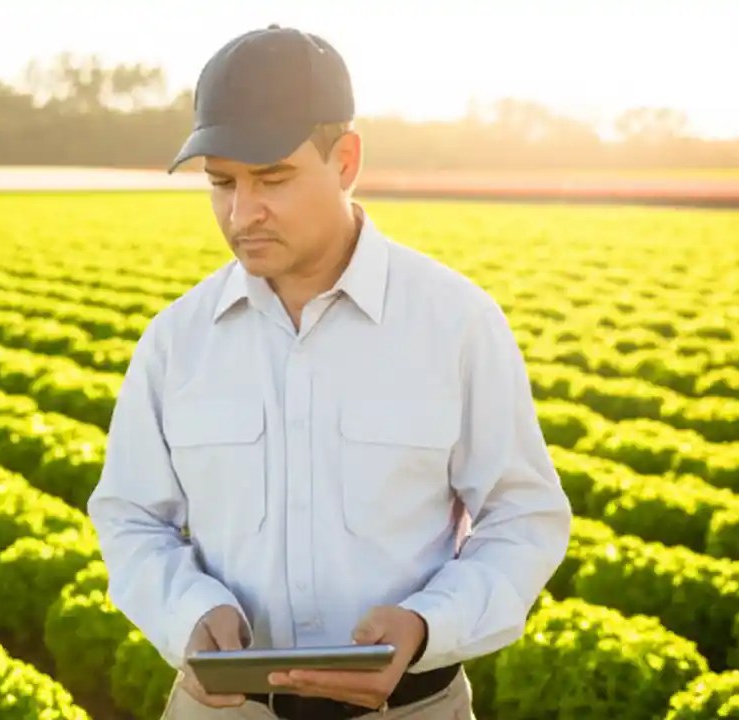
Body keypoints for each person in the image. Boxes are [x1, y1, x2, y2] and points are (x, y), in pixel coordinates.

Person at [86, 23, 573, 720]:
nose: (241, 212)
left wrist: (428, 624)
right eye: (220, 183)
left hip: (412, 709)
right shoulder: (177, 340)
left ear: (345, 161)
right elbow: (131, 516)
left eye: (272, 178)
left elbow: (523, 516)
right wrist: (189, 611)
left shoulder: (455, 323)